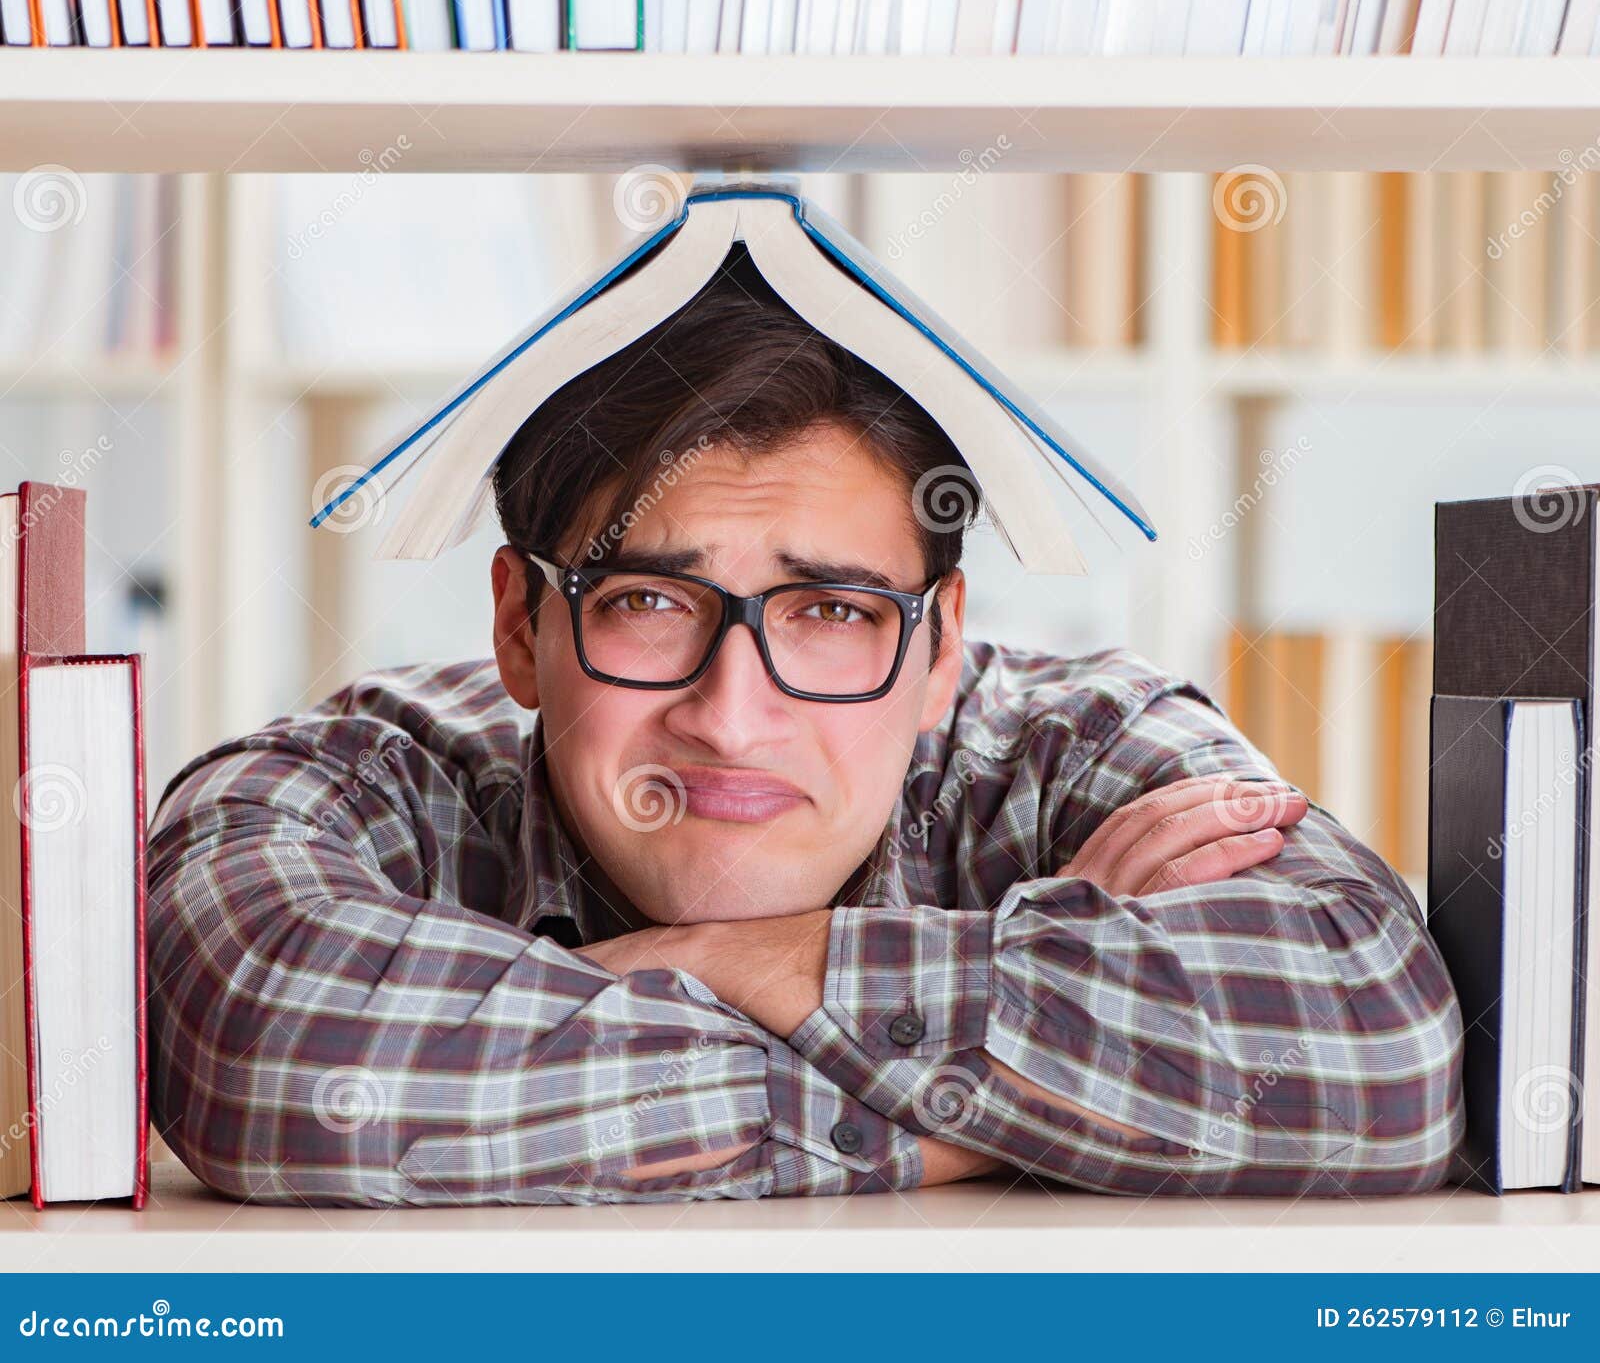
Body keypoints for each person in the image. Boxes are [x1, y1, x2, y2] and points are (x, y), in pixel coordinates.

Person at [146, 248, 1464, 1206]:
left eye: (830, 610)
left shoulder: (1078, 744)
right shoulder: (355, 779)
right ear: (518, 627)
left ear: (943, 646)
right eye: (650, 600)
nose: (733, 714)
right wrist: (1009, 1107)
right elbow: (281, 1058)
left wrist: (731, 962)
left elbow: (1378, 1046)